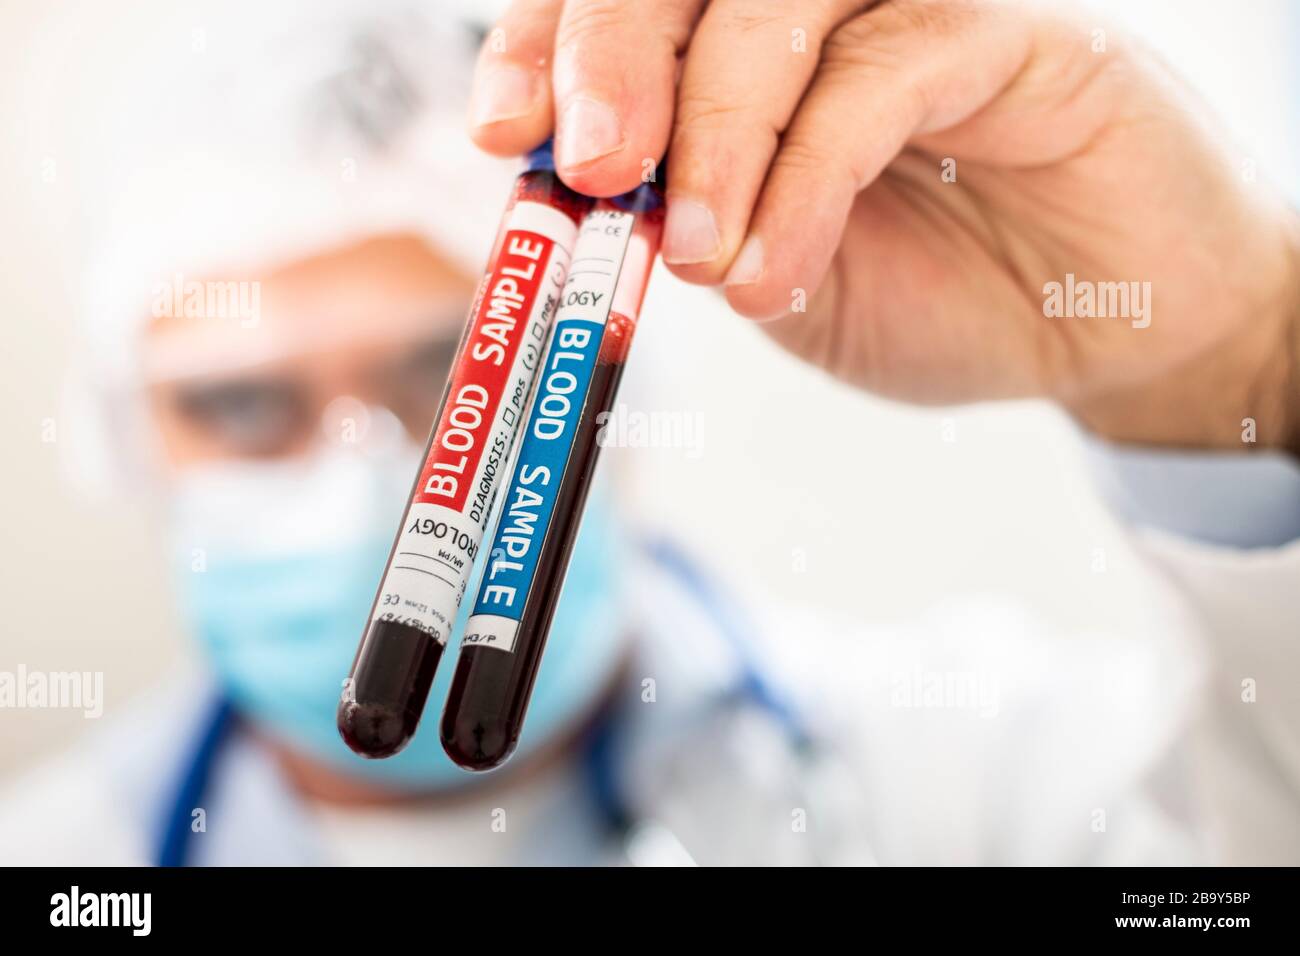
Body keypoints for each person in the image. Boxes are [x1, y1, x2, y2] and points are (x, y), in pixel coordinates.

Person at [1, 0, 1296, 865]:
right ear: (126, 435)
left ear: (601, 376)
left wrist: (1242, 359)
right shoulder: (55, 858)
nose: (368, 474)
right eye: (240, 402)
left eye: (447, 371)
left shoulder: (991, 771)